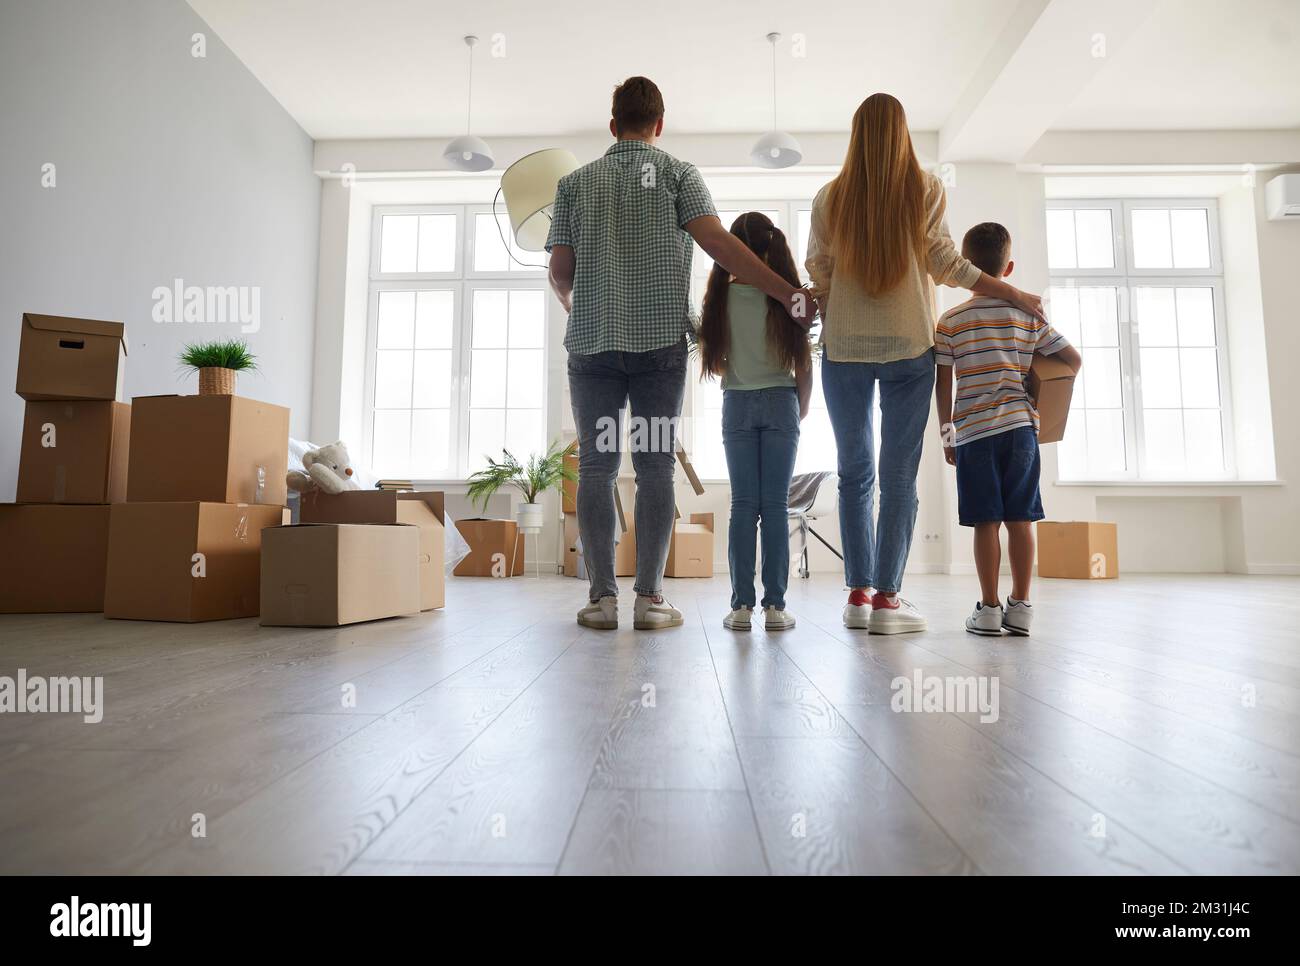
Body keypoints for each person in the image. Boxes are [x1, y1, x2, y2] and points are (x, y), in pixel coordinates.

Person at [546, 77, 811, 631]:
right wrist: (784, 290)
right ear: (659, 125)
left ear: (613, 124)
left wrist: (575, 301)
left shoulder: (574, 184)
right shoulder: (676, 174)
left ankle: (600, 600)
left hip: (593, 349)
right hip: (659, 352)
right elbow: (720, 243)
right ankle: (648, 599)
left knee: (597, 467)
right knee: (654, 466)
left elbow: (561, 274)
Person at [805, 92, 1046, 634]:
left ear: (856, 133)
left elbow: (818, 269)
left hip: (843, 350)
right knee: (897, 476)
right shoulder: (925, 189)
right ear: (902, 134)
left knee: (854, 474)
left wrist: (832, 295)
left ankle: (858, 595)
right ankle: (888, 599)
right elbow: (946, 263)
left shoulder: (829, 198)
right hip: (910, 347)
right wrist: (1010, 292)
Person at [935, 222, 1082, 636]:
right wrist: (1038, 399)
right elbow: (1072, 360)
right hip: (1021, 430)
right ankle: (1021, 607)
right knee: (1021, 519)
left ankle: (988, 608)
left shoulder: (950, 321)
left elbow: (943, 384)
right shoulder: (1027, 315)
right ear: (1009, 266)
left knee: (986, 521)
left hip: (974, 434)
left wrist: (949, 437)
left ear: (965, 267)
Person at [697, 213, 813, 632]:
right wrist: (798, 408)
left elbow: (716, 355)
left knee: (743, 508)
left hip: (738, 404)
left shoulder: (720, 298)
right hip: (781, 402)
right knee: (777, 507)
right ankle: (776, 607)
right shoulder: (788, 296)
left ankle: (742, 607)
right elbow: (803, 363)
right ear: (770, 246)